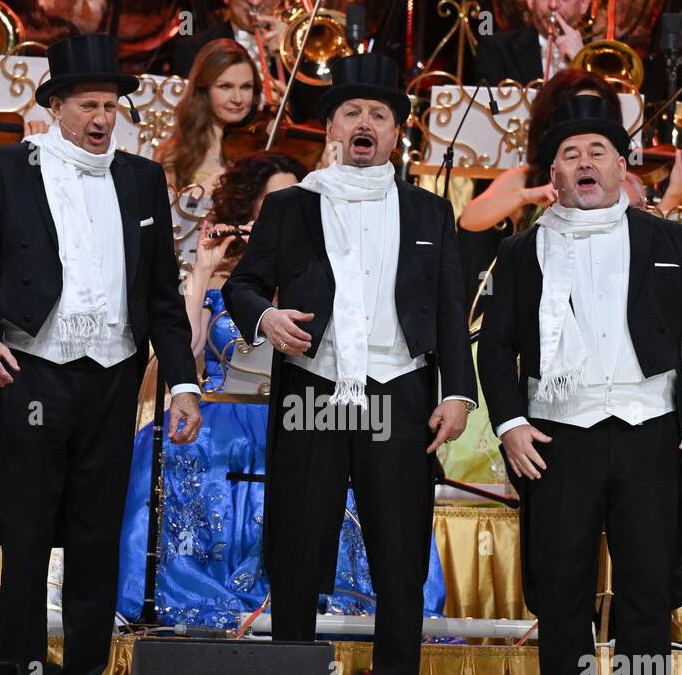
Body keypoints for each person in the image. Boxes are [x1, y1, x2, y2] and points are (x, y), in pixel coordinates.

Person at [0, 34, 202, 675]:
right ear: (56, 106)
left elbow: (161, 296)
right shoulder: (6, 168)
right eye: (88, 105)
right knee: (28, 539)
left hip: (115, 376)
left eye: (111, 107)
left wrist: (181, 381)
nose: (100, 118)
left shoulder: (144, 178)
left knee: (97, 539)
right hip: (33, 371)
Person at [224, 54, 476, 675]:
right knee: (299, 545)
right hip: (313, 390)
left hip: (399, 393)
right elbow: (241, 284)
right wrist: (265, 315)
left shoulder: (429, 212)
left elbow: (451, 309)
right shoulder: (289, 207)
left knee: (399, 553)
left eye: (379, 116)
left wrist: (458, 393)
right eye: (352, 114)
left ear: (396, 135)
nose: (365, 124)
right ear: (331, 129)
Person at [116, 151, 449, 626]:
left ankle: (350, 598)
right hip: (239, 420)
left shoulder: (327, 266)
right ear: (257, 208)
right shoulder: (233, 281)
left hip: (324, 409)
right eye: (276, 198)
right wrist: (204, 271)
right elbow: (185, 351)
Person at [477, 93, 682, 675]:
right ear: (553, 176)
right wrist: (510, 425)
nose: (584, 162)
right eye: (570, 155)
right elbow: (496, 347)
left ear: (622, 169)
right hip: (559, 439)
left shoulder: (668, 240)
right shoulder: (519, 252)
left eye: (598, 152)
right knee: (563, 592)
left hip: (651, 435)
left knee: (647, 588)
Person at [459, 69, 682, 234]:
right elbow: (469, 219)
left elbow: (646, 246)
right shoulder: (525, 179)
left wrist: (674, 194)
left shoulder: (620, 181)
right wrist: (527, 195)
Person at [155, 39, 261, 194]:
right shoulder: (173, 153)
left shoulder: (262, 147)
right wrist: (194, 196)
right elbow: (162, 213)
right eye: (225, 87)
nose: (238, 99)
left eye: (246, 87)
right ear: (203, 90)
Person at [474, 0, 592, 85]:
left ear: (583, 3)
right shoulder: (497, 48)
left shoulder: (597, 57)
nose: (553, 4)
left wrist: (580, 61)